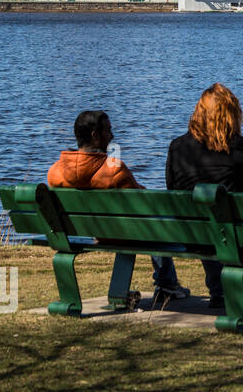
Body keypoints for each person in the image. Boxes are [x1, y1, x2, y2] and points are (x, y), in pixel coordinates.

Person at [47, 110, 189, 304]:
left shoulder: (55, 172)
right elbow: (145, 202)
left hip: (92, 231)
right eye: (108, 131)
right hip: (121, 232)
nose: (112, 136)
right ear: (95, 136)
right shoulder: (114, 170)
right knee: (155, 223)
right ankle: (167, 284)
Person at [166, 83, 243, 312]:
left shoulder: (177, 146)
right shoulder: (239, 146)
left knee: (213, 226)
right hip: (236, 235)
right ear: (232, 114)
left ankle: (220, 292)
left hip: (191, 233)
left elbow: (172, 189)